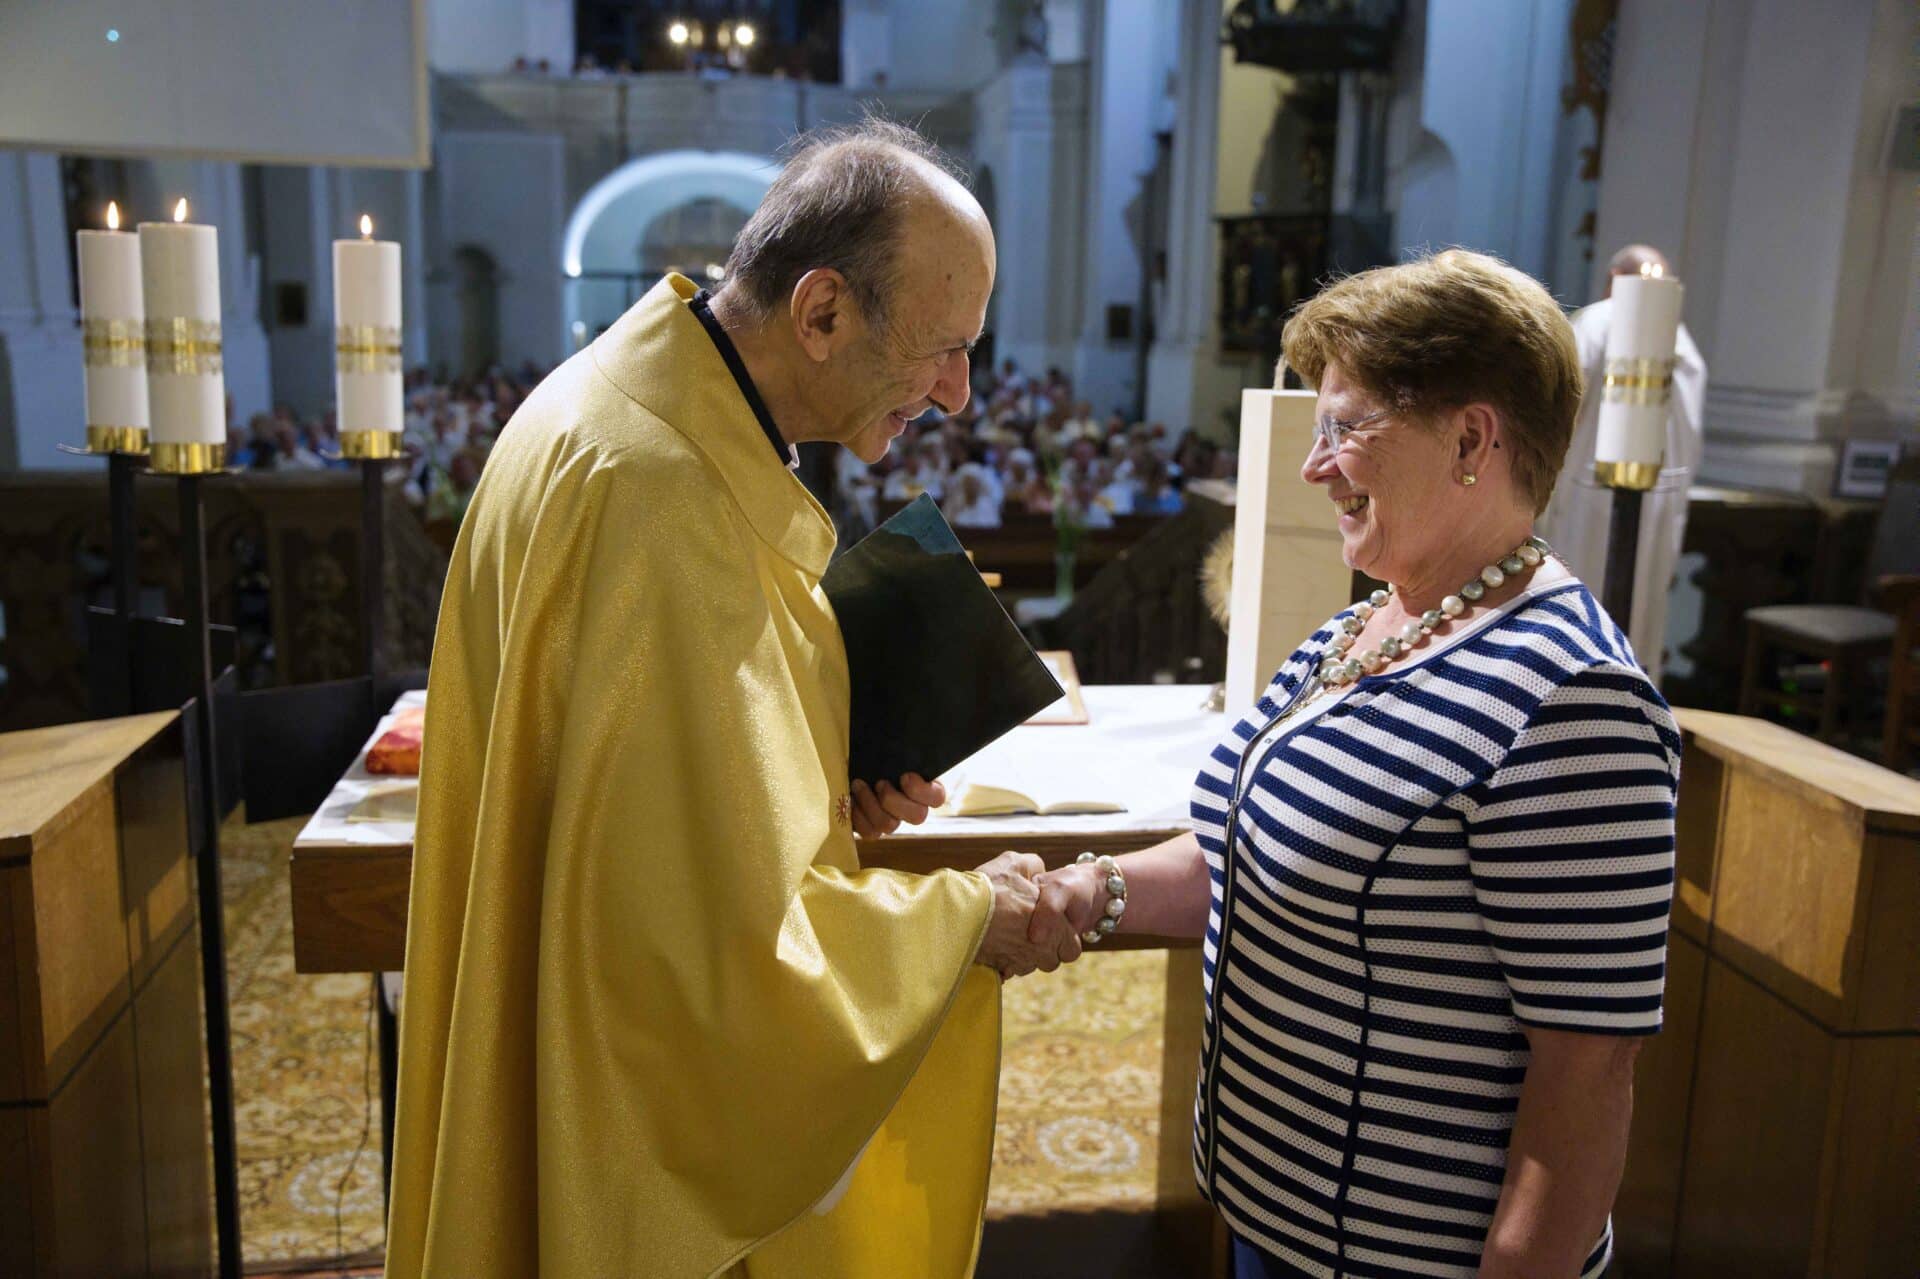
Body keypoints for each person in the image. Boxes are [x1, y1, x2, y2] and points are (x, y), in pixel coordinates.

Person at [386, 119, 1078, 1279]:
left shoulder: (638, 416)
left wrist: (814, 775)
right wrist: (968, 917)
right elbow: (701, 969)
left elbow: (645, 822)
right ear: (820, 313)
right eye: (942, 348)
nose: (958, 395)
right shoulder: (661, 502)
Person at [1027, 250, 1680, 1279]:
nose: (1313, 465)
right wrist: (1088, 888)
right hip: (1274, 1217)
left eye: (1346, 427)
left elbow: (1588, 1070)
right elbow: (1247, 854)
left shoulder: (1567, 698)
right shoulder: (1363, 627)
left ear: (1471, 438)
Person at [1536, 243, 1707, 680]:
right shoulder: (1682, 339)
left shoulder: (1593, 323)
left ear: (1612, 278)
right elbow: (1690, 437)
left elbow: (1559, 408)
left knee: (1579, 611)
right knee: (1640, 617)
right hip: (1659, 498)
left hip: (1586, 495)